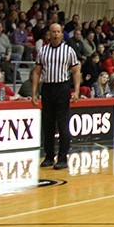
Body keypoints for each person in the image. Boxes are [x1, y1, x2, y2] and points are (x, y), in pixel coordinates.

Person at [31, 23, 80, 170]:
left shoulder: (68, 50)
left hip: (62, 87)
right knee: (48, 123)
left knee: (62, 123)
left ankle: (63, 157)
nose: (56, 34)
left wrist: (76, 91)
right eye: (53, 32)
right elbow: (37, 72)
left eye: (58, 32)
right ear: (49, 34)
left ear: (61, 33)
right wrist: (34, 92)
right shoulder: (43, 51)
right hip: (47, 87)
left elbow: (76, 71)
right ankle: (49, 156)